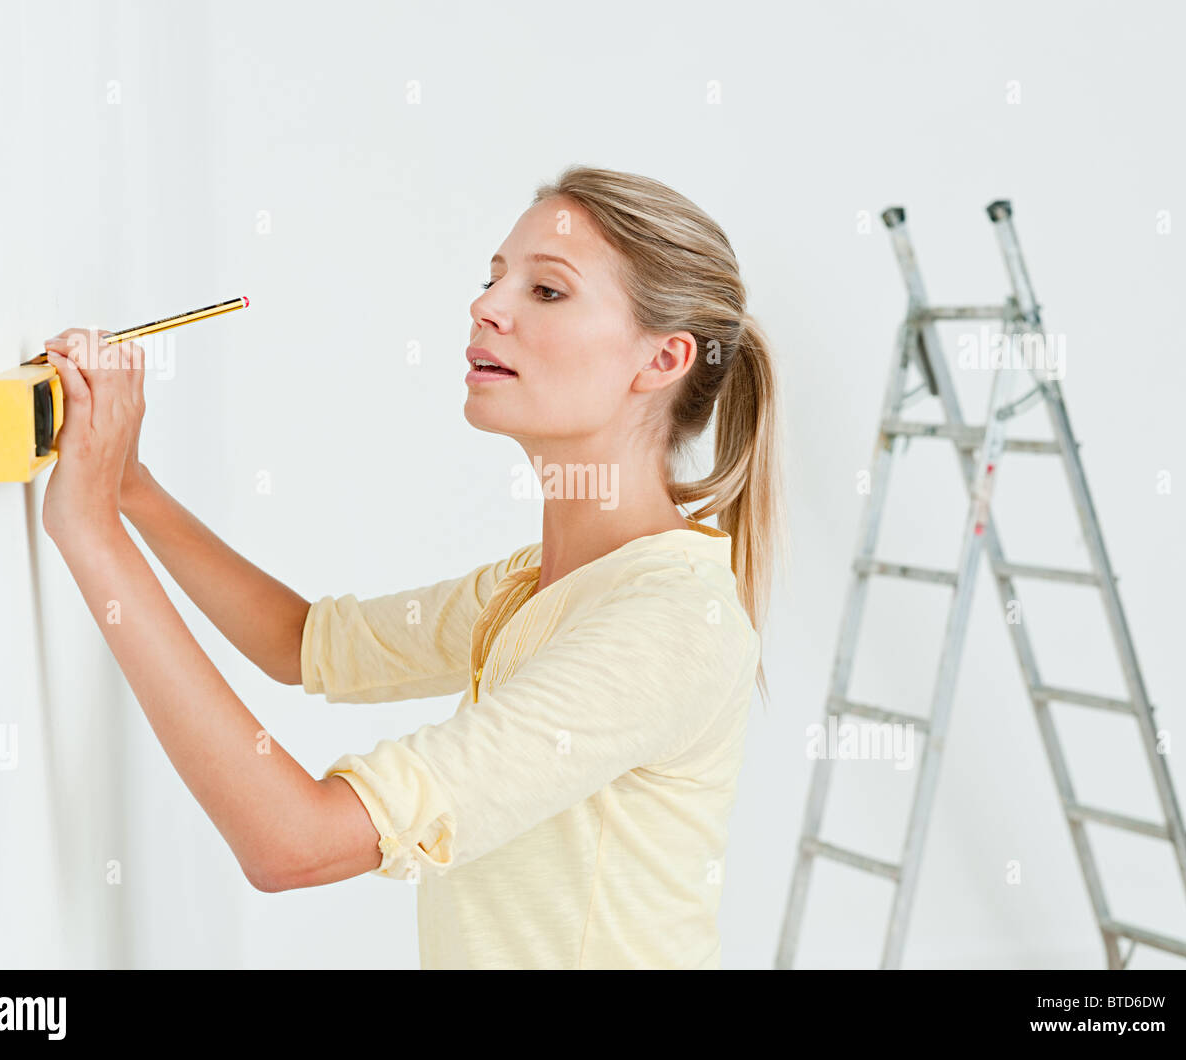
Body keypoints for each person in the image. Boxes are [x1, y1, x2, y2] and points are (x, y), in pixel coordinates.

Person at [41, 164, 785, 969]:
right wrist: (132, 491)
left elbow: (295, 844)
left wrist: (90, 532)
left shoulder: (664, 623)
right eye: (494, 279)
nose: (486, 307)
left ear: (663, 358)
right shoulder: (532, 587)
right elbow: (300, 642)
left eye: (546, 292)